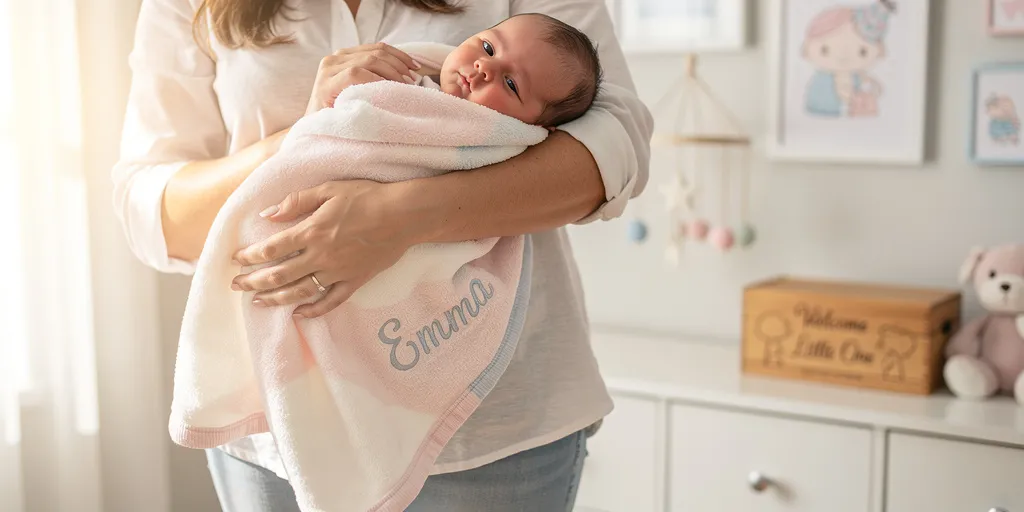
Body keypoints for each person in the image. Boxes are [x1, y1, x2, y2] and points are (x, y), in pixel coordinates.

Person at [111, 0, 653, 511]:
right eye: (487, 52)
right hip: (274, 435)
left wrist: (399, 217)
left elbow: (615, 144)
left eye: (508, 78)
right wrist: (309, 132)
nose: (487, 68)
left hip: (494, 441)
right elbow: (152, 211)